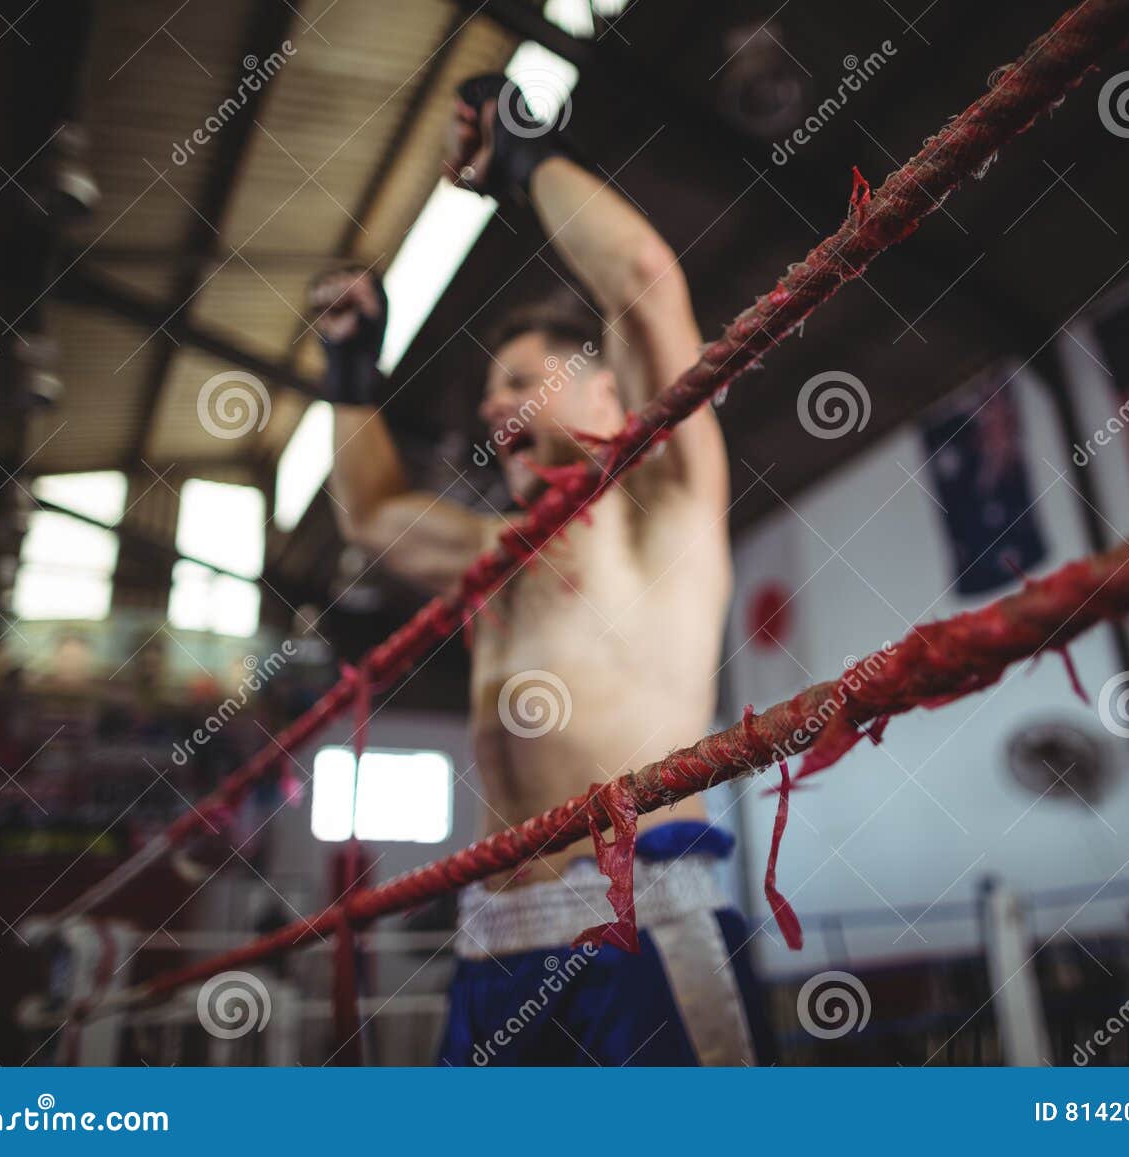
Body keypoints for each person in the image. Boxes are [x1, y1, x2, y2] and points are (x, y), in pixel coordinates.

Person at [307, 75, 772, 1066]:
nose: (491, 409)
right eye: (489, 391)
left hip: (641, 911)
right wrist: (350, 366)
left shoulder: (660, 501)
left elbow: (643, 277)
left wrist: (522, 156)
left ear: (602, 385)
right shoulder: (492, 549)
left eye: (520, 382)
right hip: (495, 929)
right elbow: (369, 513)